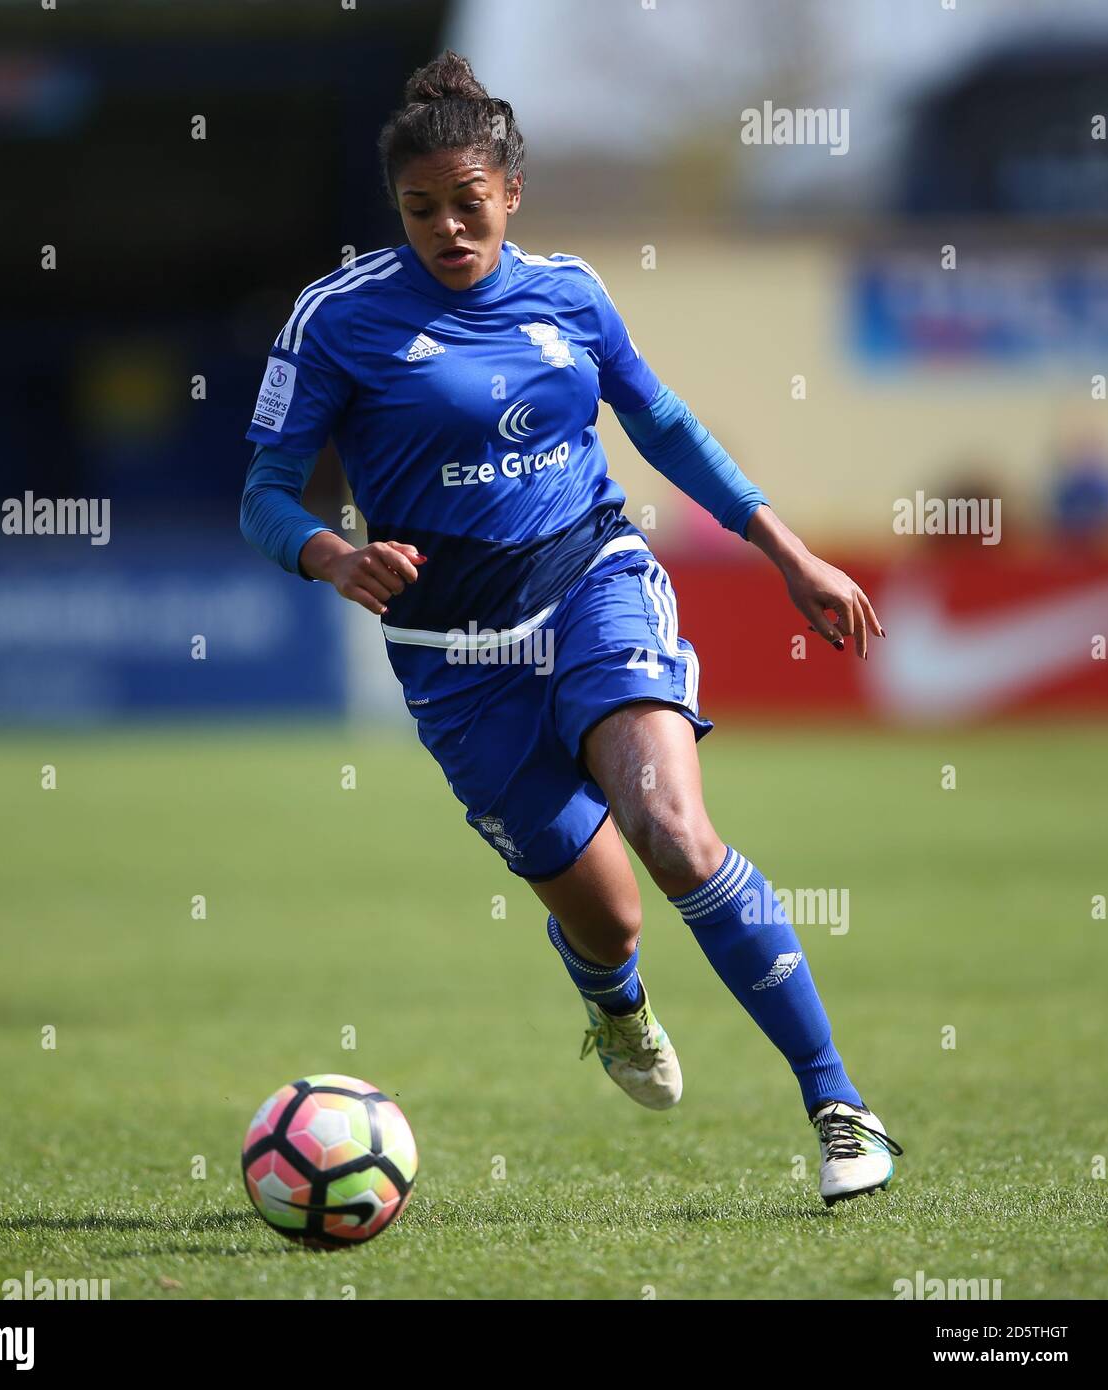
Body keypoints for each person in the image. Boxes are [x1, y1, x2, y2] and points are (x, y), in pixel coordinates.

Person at [241, 52, 901, 1206]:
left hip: (591, 576)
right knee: (607, 915)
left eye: (467, 202)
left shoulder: (570, 294)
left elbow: (663, 423)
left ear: (510, 190)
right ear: (394, 210)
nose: (447, 227)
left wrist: (785, 551)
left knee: (672, 832)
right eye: (419, 209)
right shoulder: (337, 319)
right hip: (452, 657)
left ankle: (838, 1106)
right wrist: (332, 553)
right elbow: (263, 490)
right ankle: (613, 1001)